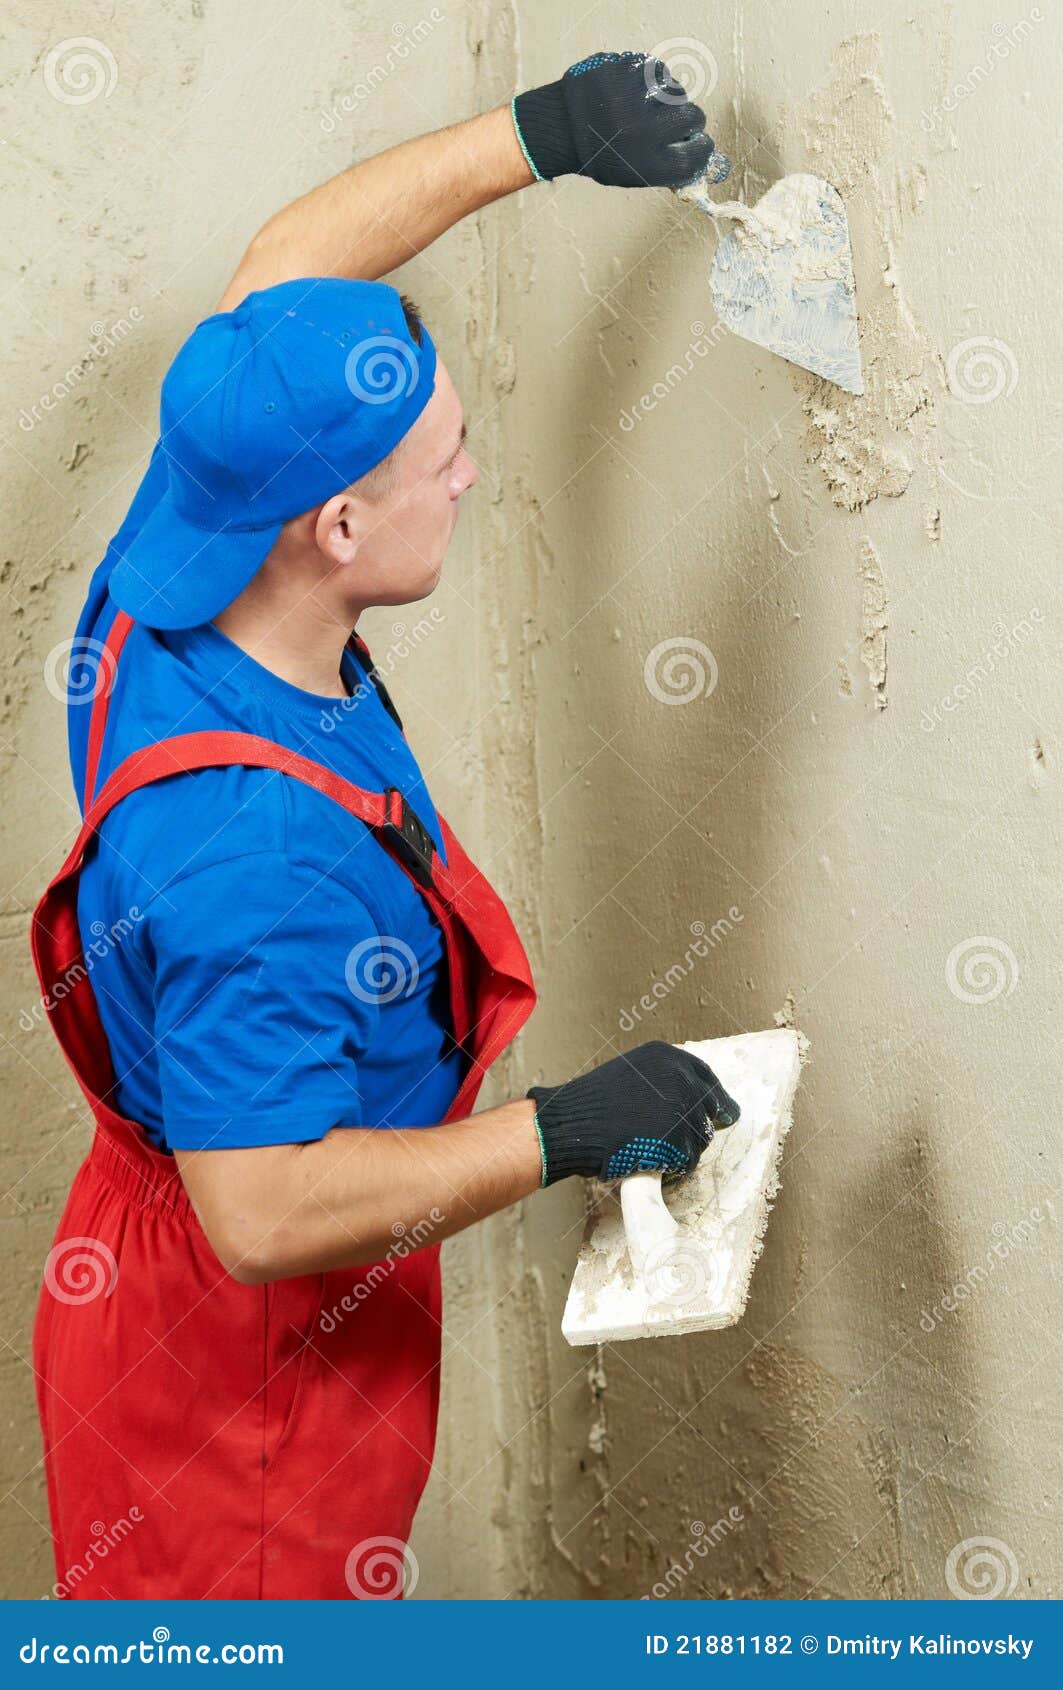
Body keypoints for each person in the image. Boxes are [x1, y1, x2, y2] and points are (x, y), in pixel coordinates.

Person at [31, 50, 739, 1601]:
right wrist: (558, 1132)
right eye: (446, 459)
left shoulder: (175, 572)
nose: (472, 476)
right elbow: (261, 1208)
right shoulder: (254, 857)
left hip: (169, 1281)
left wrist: (545, 134)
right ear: (339, 524)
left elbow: (285, 272)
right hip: (242, 1407)